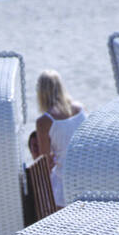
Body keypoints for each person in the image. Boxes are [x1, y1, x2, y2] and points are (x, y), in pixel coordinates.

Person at [33, 71, 86, 207]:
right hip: (87, 174)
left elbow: (45, 160)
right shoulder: (80, 109)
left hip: (65, 182)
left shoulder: (44, 121)